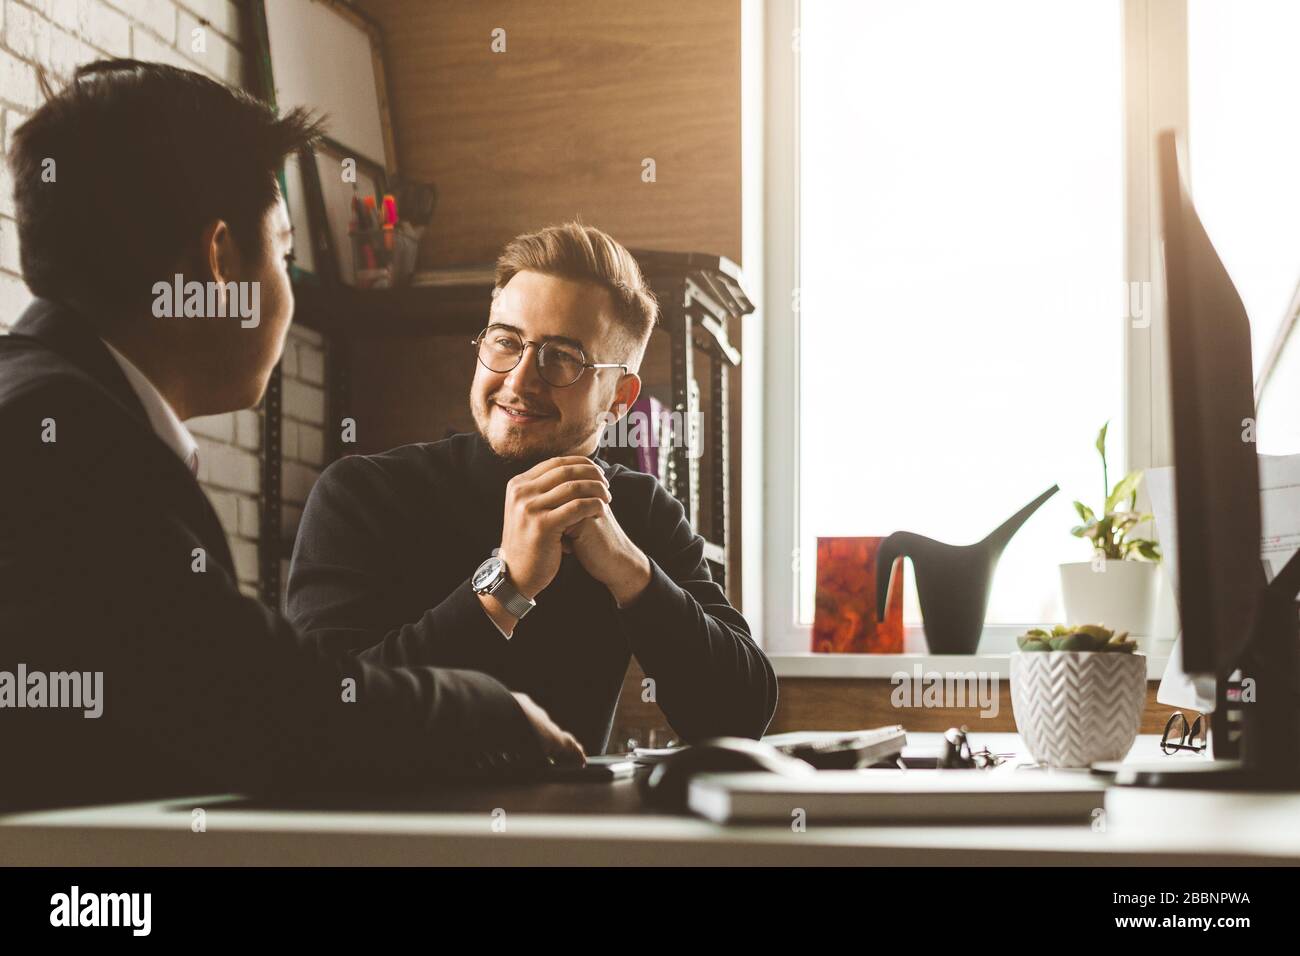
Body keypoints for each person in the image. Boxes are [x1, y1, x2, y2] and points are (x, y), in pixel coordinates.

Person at [0, 60, 581, 811]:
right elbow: (260, 705)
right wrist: (494, 712)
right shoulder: (68, 442)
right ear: (219, 262)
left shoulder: (51, 409)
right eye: (283, 252)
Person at [287, 222, 777, 754]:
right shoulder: (362, 494)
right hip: (397, 836)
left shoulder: (639, 511)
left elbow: (740, 717)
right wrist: (504, 587)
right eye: (505, 342)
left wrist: (631, 574)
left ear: (620, 397)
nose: (520, 380)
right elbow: (326, 715)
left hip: (567, 835)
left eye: (562, 357)